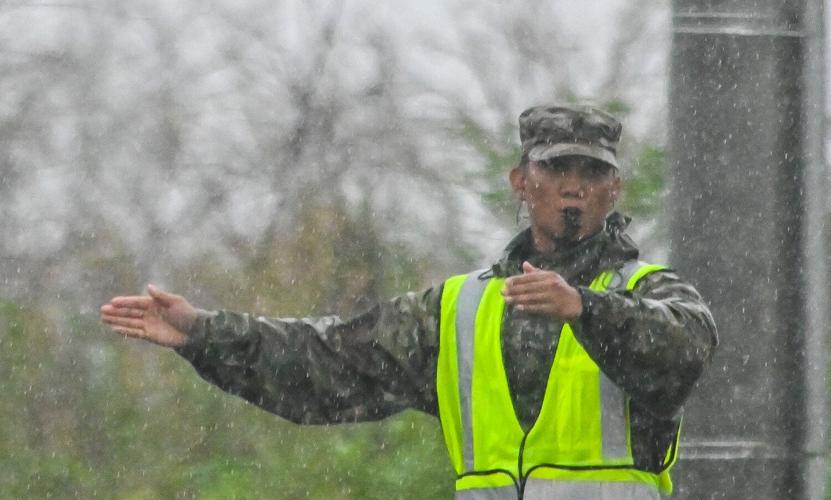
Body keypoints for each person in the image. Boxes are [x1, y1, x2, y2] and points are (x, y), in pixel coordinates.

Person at [101, 104, 717, 499]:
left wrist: (585, 308)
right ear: (521, 182)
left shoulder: (647, 291)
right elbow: (329, 364)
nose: (575, 184)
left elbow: (684, 351)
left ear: (614, 188)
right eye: (558, 169)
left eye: (592, 170)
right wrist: (205, 334)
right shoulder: (458, 308)